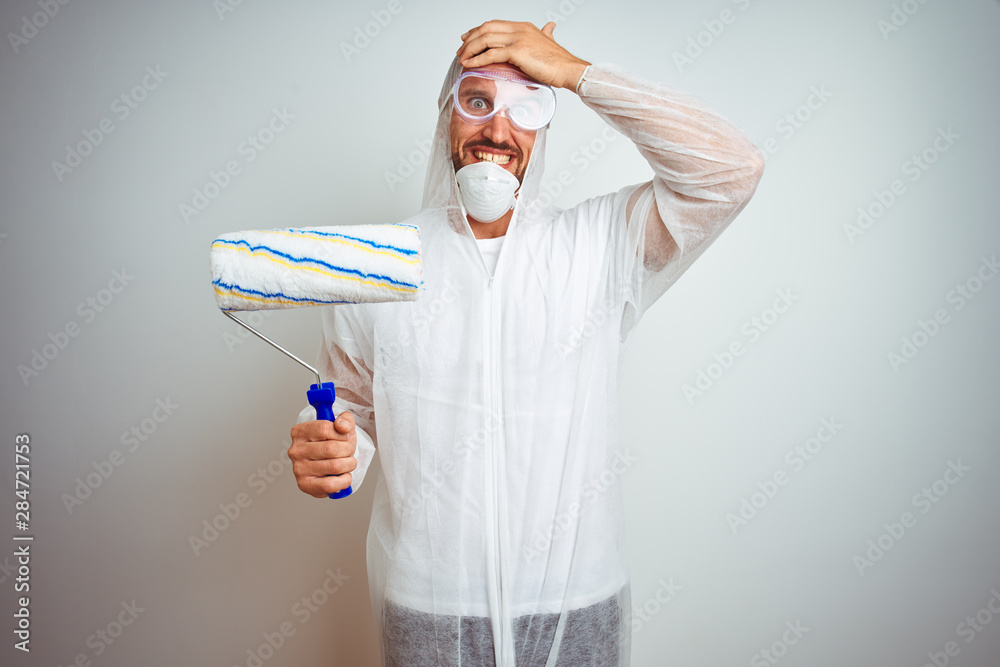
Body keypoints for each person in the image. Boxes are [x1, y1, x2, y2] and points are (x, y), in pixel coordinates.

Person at [289, 19, 764, 666]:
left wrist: (575, 72)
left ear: (545, 124)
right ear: (446, 116)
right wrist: (330, 449)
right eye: (477, 101)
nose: (497, 130)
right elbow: (349, 410)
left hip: (578, 604)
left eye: (526, 107)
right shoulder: (377, 263)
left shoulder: (598, 246)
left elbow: (732, 170)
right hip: (430, 608)